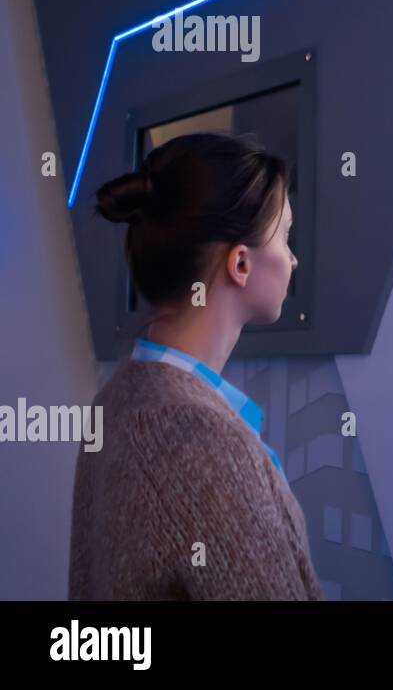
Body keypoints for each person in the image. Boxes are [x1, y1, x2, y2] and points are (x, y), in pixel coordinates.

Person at [68, 132, 325, 599]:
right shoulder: (198, 436)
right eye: (285, 235)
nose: (293, 258)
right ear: (241, 264)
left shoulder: (114, 403)